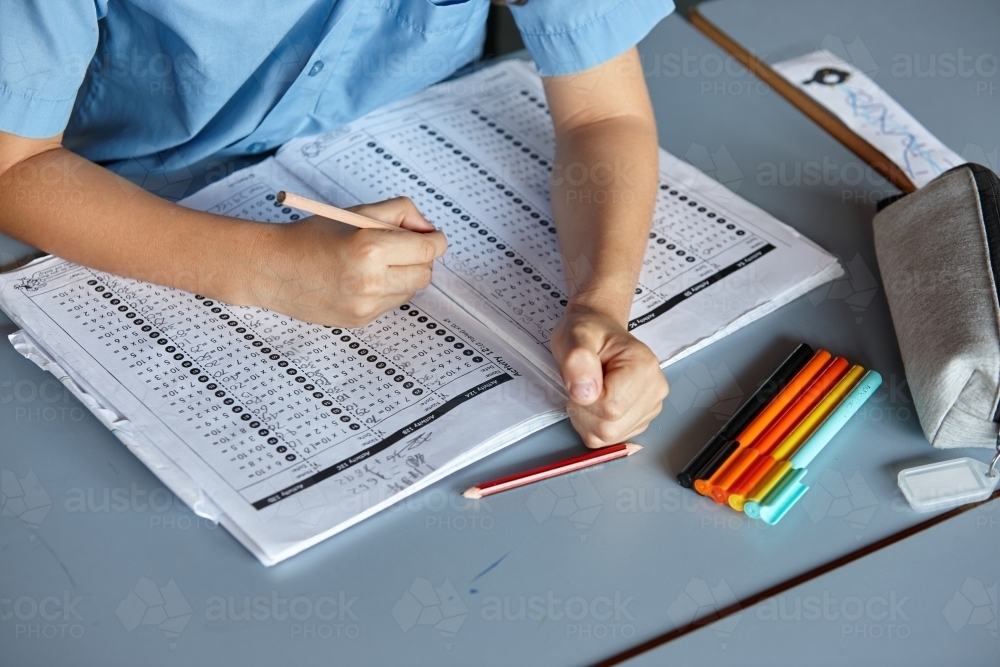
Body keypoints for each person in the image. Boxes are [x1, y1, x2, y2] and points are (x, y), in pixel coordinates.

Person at [0, 0, 672, 448]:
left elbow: (602, 115)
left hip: (425, 143)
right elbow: (14, 167)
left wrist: (601, 304)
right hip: (125, 205)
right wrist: (263, 268)